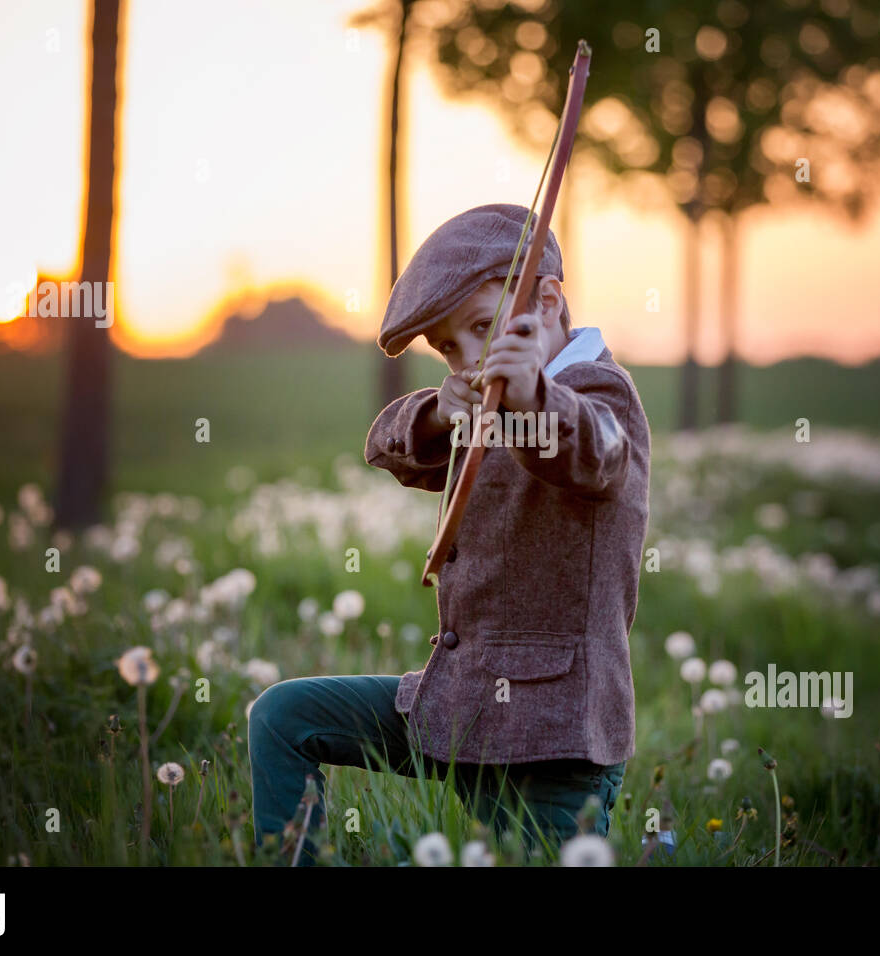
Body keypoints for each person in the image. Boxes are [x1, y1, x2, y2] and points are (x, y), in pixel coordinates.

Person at [247, 202, 651, 864]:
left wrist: (533, 398)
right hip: (459, 704)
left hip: (553, 741)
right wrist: (439, 409)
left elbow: (595, 454)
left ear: (547, 301)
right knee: (283, 718)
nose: (469, 360)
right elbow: (386, 446)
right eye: (448, 347)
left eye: (484, 329)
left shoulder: (600, 396)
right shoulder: (481, 402)